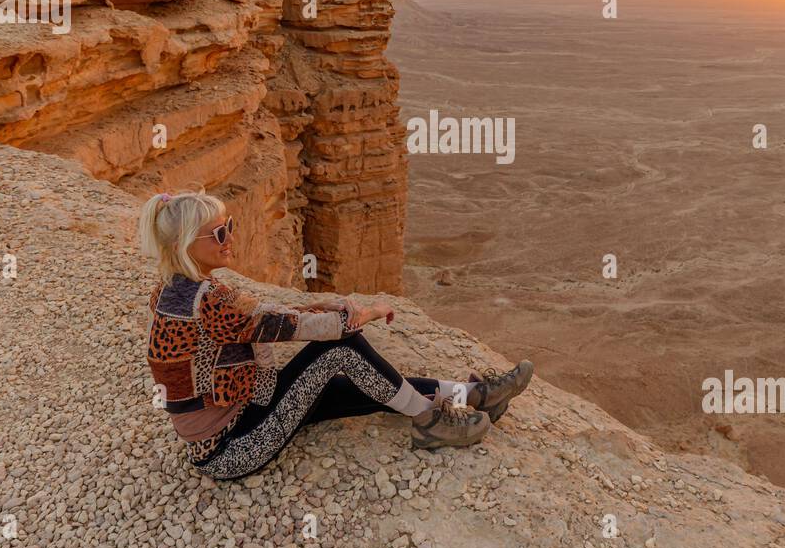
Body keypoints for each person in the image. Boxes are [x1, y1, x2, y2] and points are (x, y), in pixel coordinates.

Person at [137, 189, 534, 480]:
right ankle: (431, 423)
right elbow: (286, 327)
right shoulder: (206, 298)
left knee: (365, 384)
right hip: (232, 448)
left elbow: (256, 317)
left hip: (242, 418)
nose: (231, 239)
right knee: (341, 347)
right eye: (219, 234)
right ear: (183, 244)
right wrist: (366, 313)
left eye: (230, 227)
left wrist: (314, 308)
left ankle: (475, 396)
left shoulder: (175, 288)